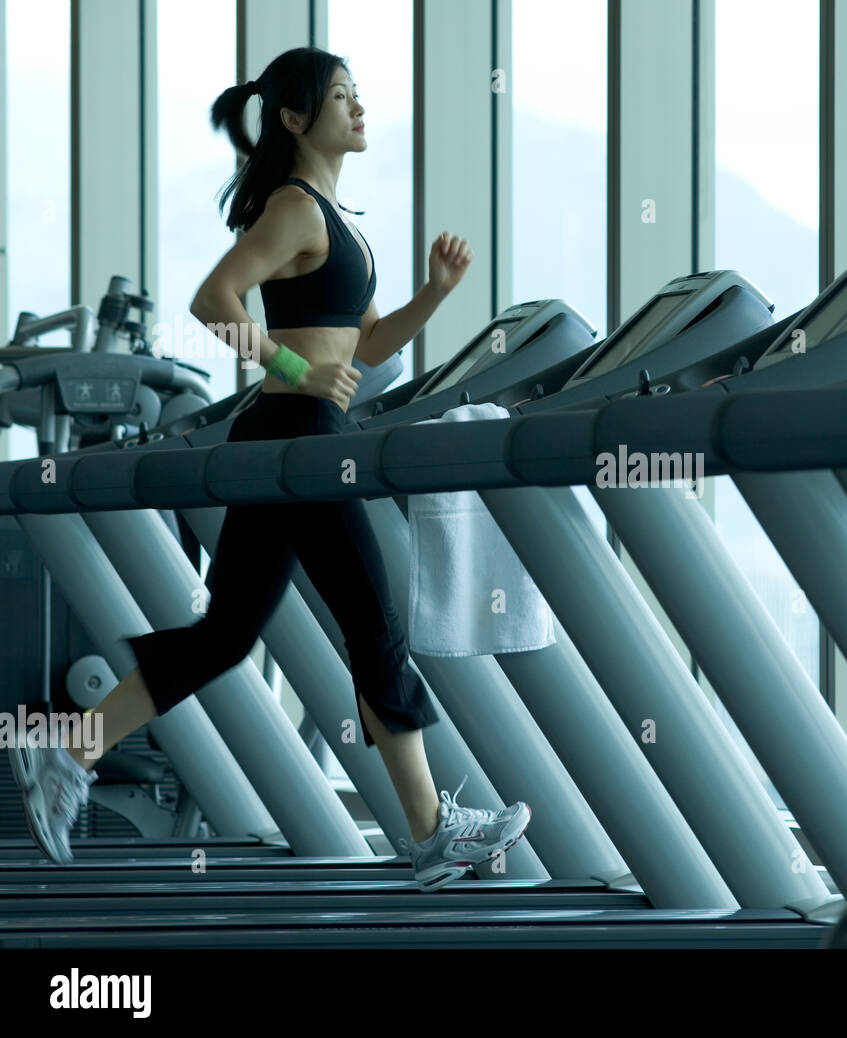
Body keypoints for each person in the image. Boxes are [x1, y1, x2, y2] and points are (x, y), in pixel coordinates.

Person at [7, 46, 530, 892]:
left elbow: (367, 344)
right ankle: (433, 832)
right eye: (340, 96)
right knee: (374, 624)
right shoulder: (295, 209)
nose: (359, 106)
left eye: (358, 94)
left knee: (228, 634)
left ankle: (71, 752)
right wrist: (294, 373)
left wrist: (434, 294)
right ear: (294, 118)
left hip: (299, 430)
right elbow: (213, 301)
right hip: (295, 430)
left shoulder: (336, 216)